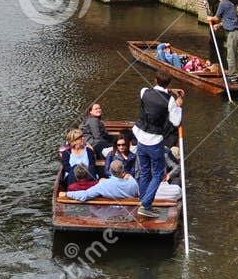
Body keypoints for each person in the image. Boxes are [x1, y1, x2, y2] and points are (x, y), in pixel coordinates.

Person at [132, 75, 183, 218]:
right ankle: (146, 204)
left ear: (154, 80)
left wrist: (170, 91)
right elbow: (175, 121)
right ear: (169, 83)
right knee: (159, 173)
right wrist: (177, 104)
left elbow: (157, 91)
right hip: (154, 140)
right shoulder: (170, 100)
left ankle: (143, 201)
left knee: (145, 172)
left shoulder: (144, 92)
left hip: (140, 137)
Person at [67, 158, 140, 202]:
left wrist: (66, 194)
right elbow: (139, 194)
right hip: (128, 212)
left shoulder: (103, 184)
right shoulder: (132, 181)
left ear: (110, 171)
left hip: (108, 213)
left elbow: (85, 195)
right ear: (123, 171)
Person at [207, 0, 238, 79]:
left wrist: (210, 18)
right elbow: (229, 19)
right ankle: (232, 73)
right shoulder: (230, 4)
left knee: (230, 56)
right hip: (236, 33)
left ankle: (233, 76)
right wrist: (218, 25)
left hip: (233, 33)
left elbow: (217, 17)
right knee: (231, 54)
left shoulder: (222, 3)